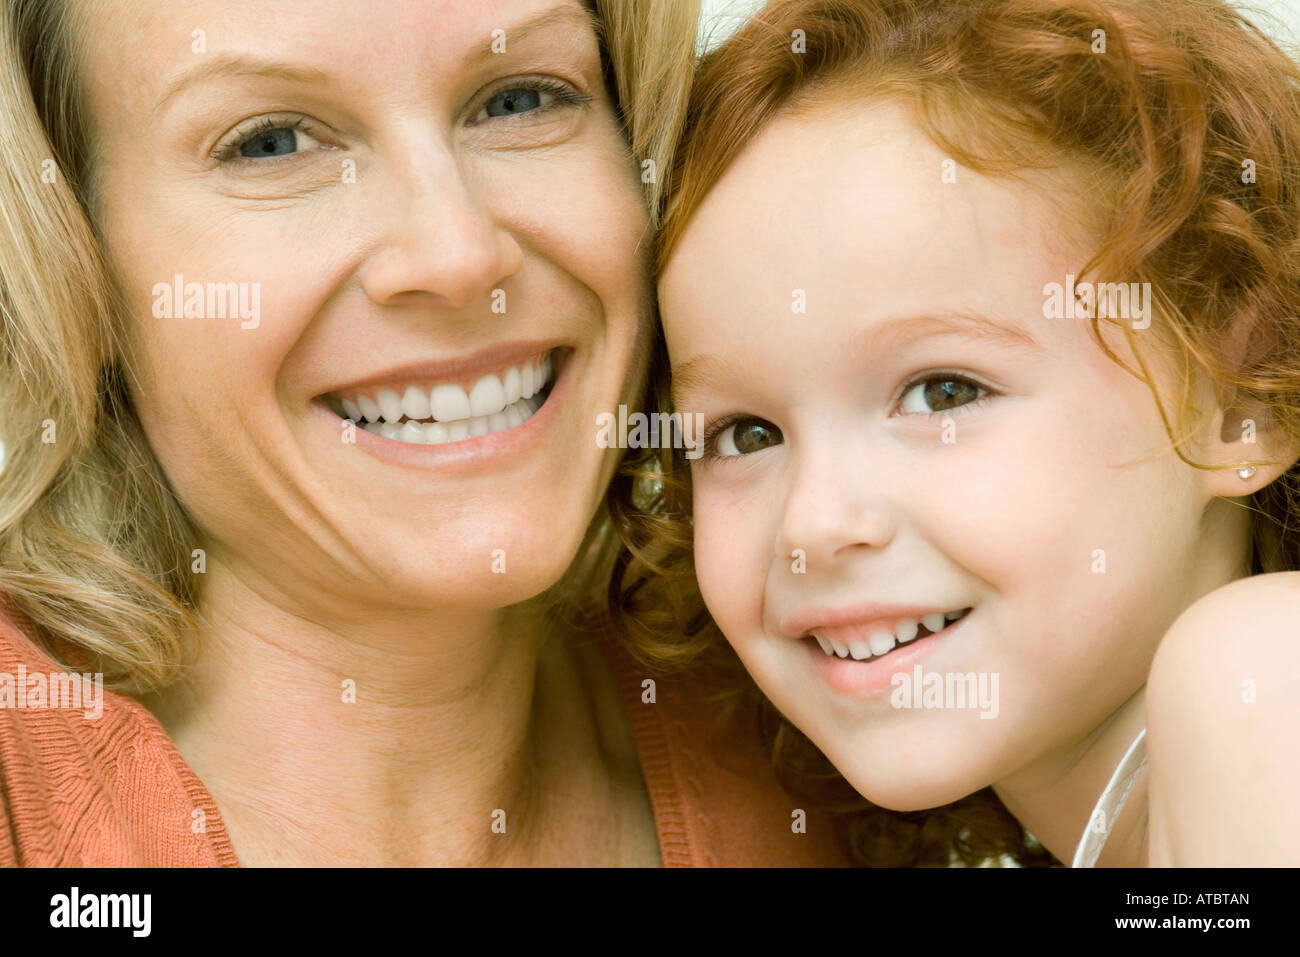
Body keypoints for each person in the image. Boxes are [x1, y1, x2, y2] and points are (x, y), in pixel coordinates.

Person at [0, 0, 853, 867]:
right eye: (272, 142)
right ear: (71, 250)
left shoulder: (834, 721)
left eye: (520, 98)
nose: (459, 256)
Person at [614, 0, 1300, 865]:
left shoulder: (1262, 674)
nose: (814, 526)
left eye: (942, 392)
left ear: (1244, 395)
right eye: (746, 435)